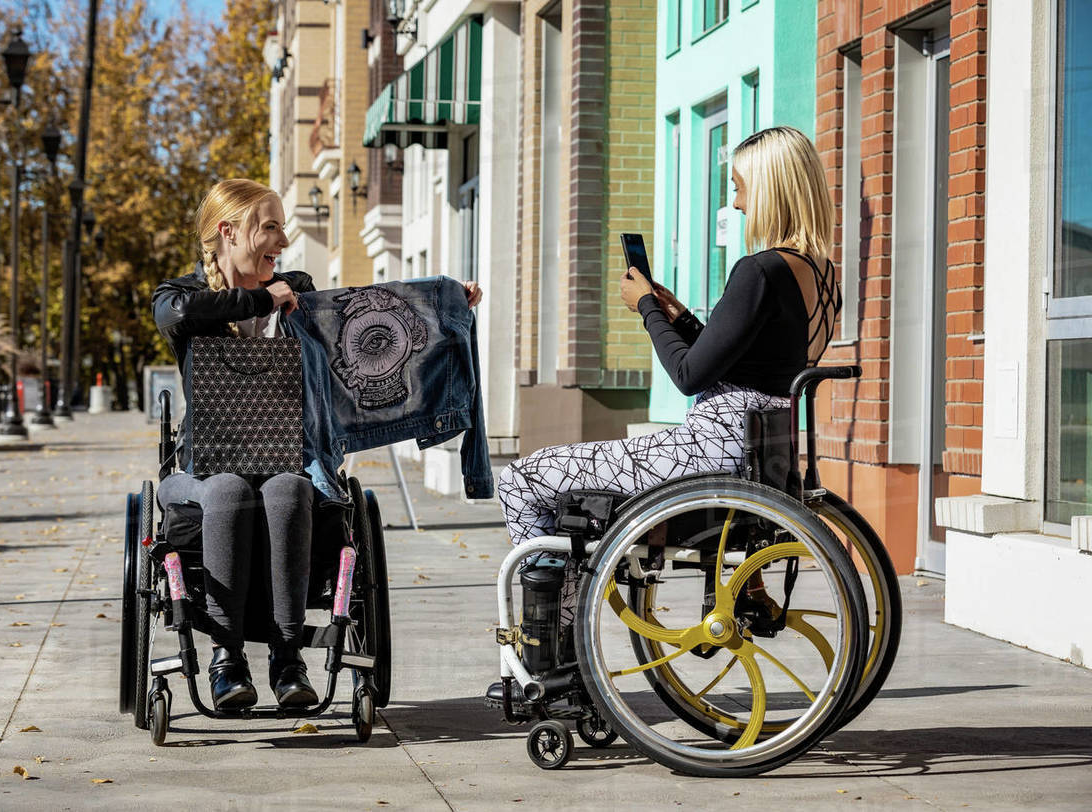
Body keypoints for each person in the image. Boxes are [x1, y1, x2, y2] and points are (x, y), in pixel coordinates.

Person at [153, 179, 484, 711]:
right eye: (271, 226)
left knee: (288, 490)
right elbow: (179, 316)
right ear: (228, 231)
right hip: (206, 461)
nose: (283, 239)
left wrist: (446, 304)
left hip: (289, 455)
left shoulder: (299, 292)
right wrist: (262, 299)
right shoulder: (181, 296)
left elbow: (366, 312)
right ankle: (227, 660)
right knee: (229, 491)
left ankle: (288, 660)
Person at [495, 125, 839, 620]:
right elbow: (752, 364)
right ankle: (568, 613)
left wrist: (645, 310)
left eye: (741, 187)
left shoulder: (758, 270)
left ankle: (556, 632)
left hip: (710, 450)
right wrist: (680, 317)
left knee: (522, 479)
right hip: (762, 448)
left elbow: (687, 375)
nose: (737, 204)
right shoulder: (824, 276)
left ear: (771, 189)